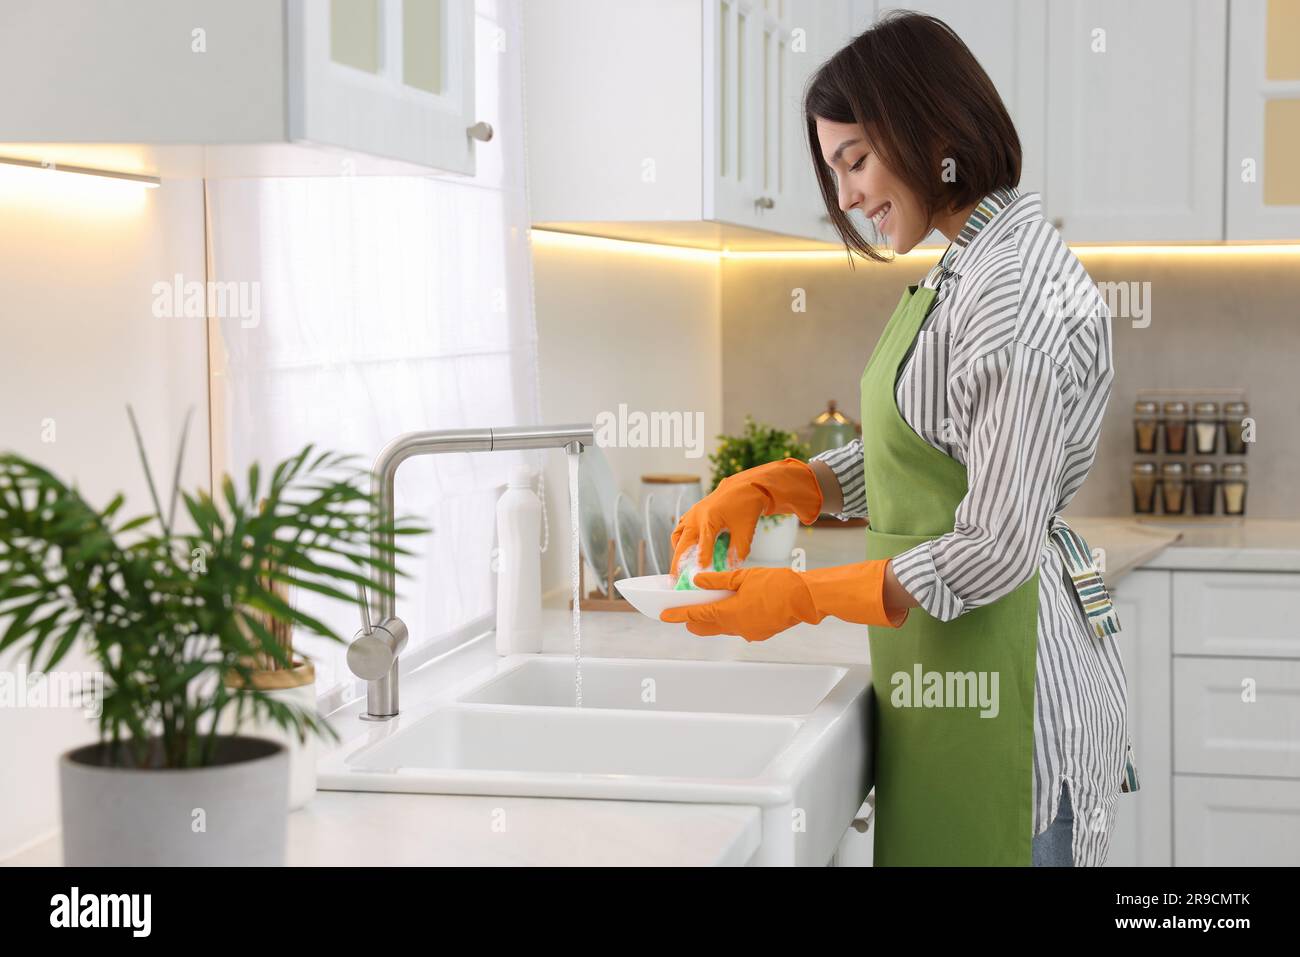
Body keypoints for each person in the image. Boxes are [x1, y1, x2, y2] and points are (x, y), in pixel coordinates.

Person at [660, 10, 1138, 867]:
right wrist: (786, 485)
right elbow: (931, 460)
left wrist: (804, 595)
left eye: (855, 161)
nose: (843, 197)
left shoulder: (1010, 292)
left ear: (933, 129)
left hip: (1015, 710)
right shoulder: (969, 266)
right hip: (963, 676)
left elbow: (993, 545)